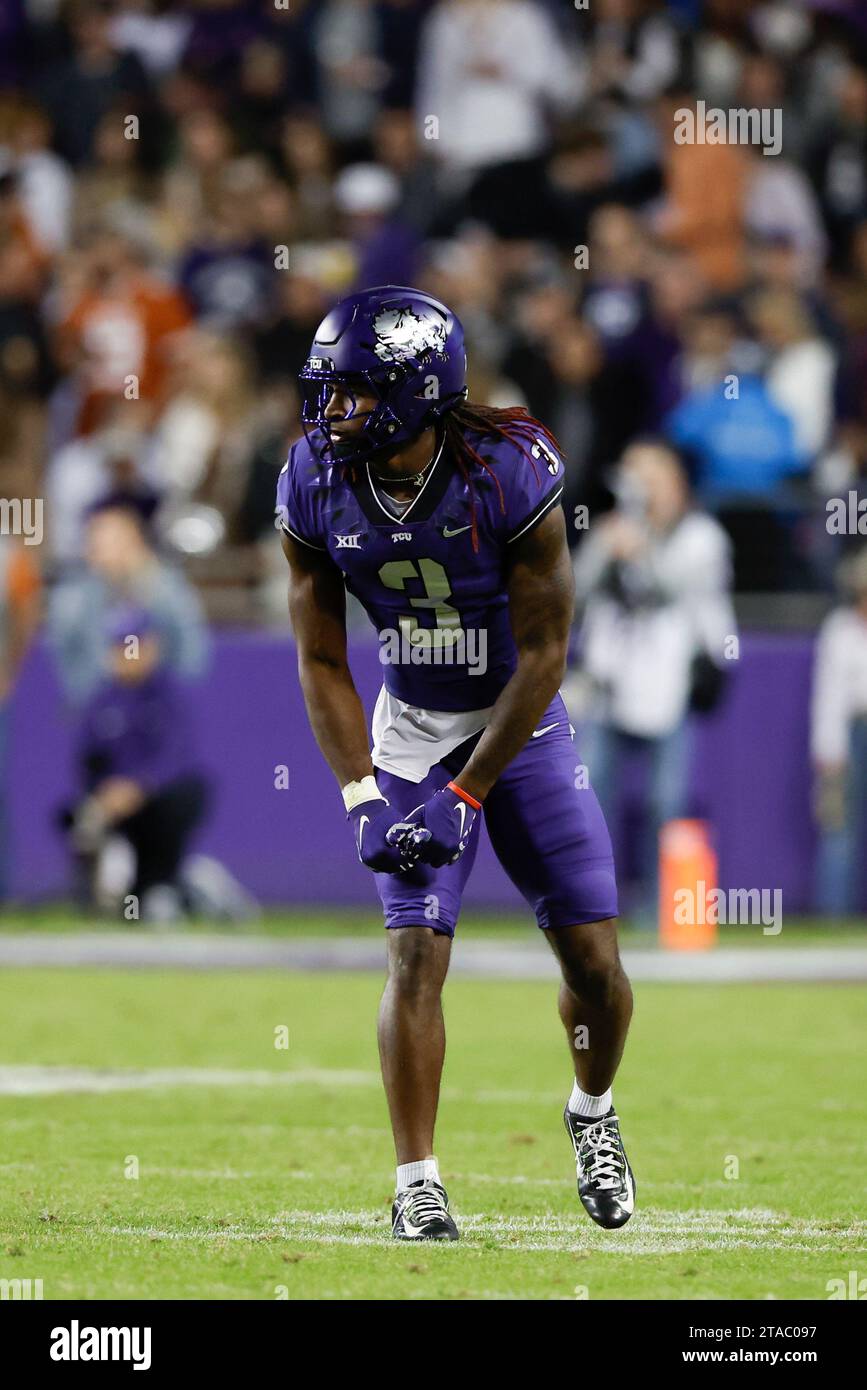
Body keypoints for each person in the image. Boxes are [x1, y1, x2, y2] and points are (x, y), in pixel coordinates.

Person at [276, 284, 634, 1241]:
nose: (328, 413)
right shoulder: (313, 477)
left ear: (410, 392)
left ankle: (591, 1114)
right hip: (410, 730)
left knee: (594, 965)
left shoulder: (508, 471)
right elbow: (320, 656)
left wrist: (470, 790)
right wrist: (361, 793)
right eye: (327, 392)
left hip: (517, 724)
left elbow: (548, 651)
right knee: (412, 953)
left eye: (350, 393)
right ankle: (416, 1181)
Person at [570, 439, 736, 925]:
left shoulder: (702, 536)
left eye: (652, 481)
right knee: (589, 791)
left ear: (675, 484)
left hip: (671, 680)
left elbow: (675, 588)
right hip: (610, 679)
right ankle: (589, 907)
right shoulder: (615, 529)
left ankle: (667, 910)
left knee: (668, 800)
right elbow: (576, 589)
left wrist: (641, 551)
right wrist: (608, 546)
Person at [811, 548, 867, 916]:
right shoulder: (841, 628)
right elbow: (828, 695)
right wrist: (829, 751)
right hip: (854, 731)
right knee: (839, 828)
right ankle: (834, 913)